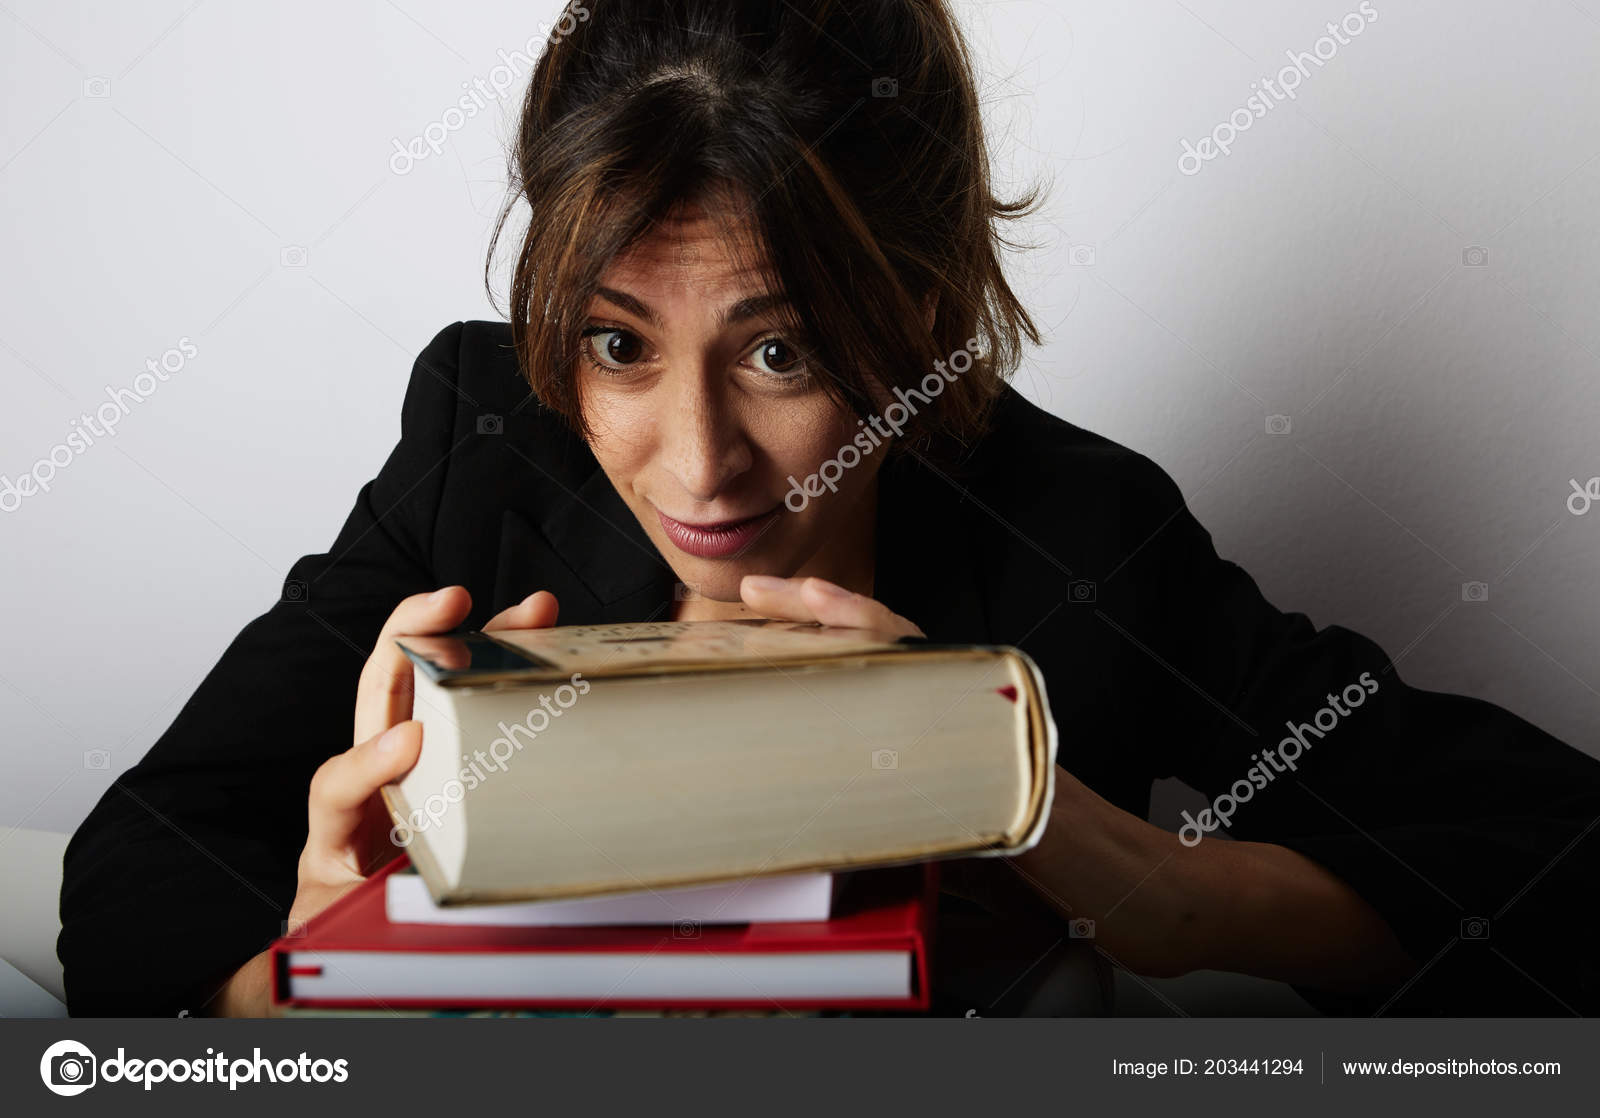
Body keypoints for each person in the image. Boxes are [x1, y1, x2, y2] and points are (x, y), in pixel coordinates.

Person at [60, 0, 1600, 1016]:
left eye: (781, 349)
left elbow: (1554, 859)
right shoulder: (487, 449)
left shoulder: (1081, 535)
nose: (699, 464)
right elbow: (137, 865)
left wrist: (1157, 885)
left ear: (922, 315)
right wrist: (304, 978)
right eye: (617, 344)